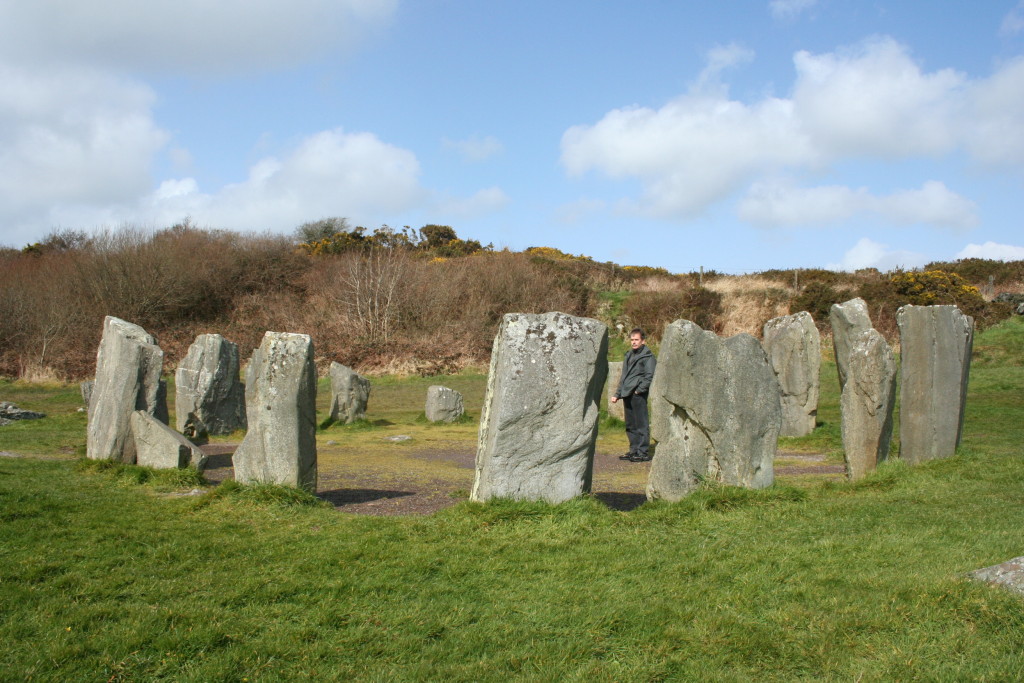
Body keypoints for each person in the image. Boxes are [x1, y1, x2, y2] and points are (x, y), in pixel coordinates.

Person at [611, 328, 656, 462]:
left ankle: (642, 452)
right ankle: (634, 450)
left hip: (638, 394)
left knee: (641, 424)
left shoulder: (648, 357)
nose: (634, 342)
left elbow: (649, 376)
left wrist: (639, 390)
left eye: (636, 340)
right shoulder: (629, 355)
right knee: (631, 425)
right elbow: (624, 377)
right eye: (632, 340)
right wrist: (617, 393)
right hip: (627, 393)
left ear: (643, 341)